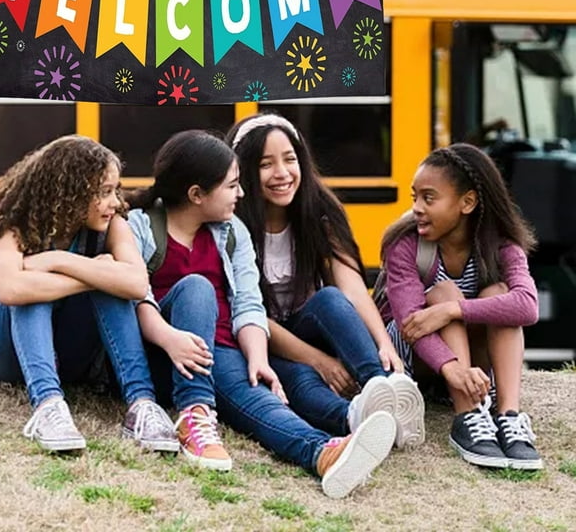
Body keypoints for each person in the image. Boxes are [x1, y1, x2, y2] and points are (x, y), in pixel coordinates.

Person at [127, 129, 396, 498]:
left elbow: (248, 303)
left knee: (265, 392)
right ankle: (195, 414)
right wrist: (170, 338)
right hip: (167, 350)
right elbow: (134, 295)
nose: (241, 193)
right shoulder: (140, 226)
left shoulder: (231, 231)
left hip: (222, 349)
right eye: (232, 185)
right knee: (197, 289)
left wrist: (258, 358)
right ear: (196, 195)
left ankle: (326, 450)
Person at [0, 135, 178, 453]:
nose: (115, 203)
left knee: (111, 285)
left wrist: (59, 262)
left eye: (114, 191)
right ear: (71, 193)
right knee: (39, 290)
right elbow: (10, 290)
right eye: (104, 192)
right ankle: (48, 405)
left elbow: (135, 283)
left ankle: (142, 405)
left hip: (67, 352)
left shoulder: (111, 225)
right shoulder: (14, 221)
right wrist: (93, 274)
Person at [226, 113, 425, 450]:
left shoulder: (319, 211)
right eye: (266, 164)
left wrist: (383, 344)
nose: (282, 173)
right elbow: (248, 314)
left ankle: (386, 388)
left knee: (330, 298)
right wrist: (317, 361)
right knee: (301, 379)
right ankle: (357, 419)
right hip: (260, 339)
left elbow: (351, 291)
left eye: (290, 159)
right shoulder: (230, 227)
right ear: (243, 171)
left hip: (312, 325)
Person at [378, 142, 542, 470]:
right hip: (418, 360)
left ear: (467, 203)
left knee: (498, 292)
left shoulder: (501, 246)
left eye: (429, 198)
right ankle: (467, 417)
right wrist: (453, 366)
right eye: (415, 198)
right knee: (444, 292)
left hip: (470, 366)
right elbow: (411, 325)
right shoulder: (406, 245)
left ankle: (509, 416)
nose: (418, 208)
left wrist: (454, 311)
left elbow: (527, 306)